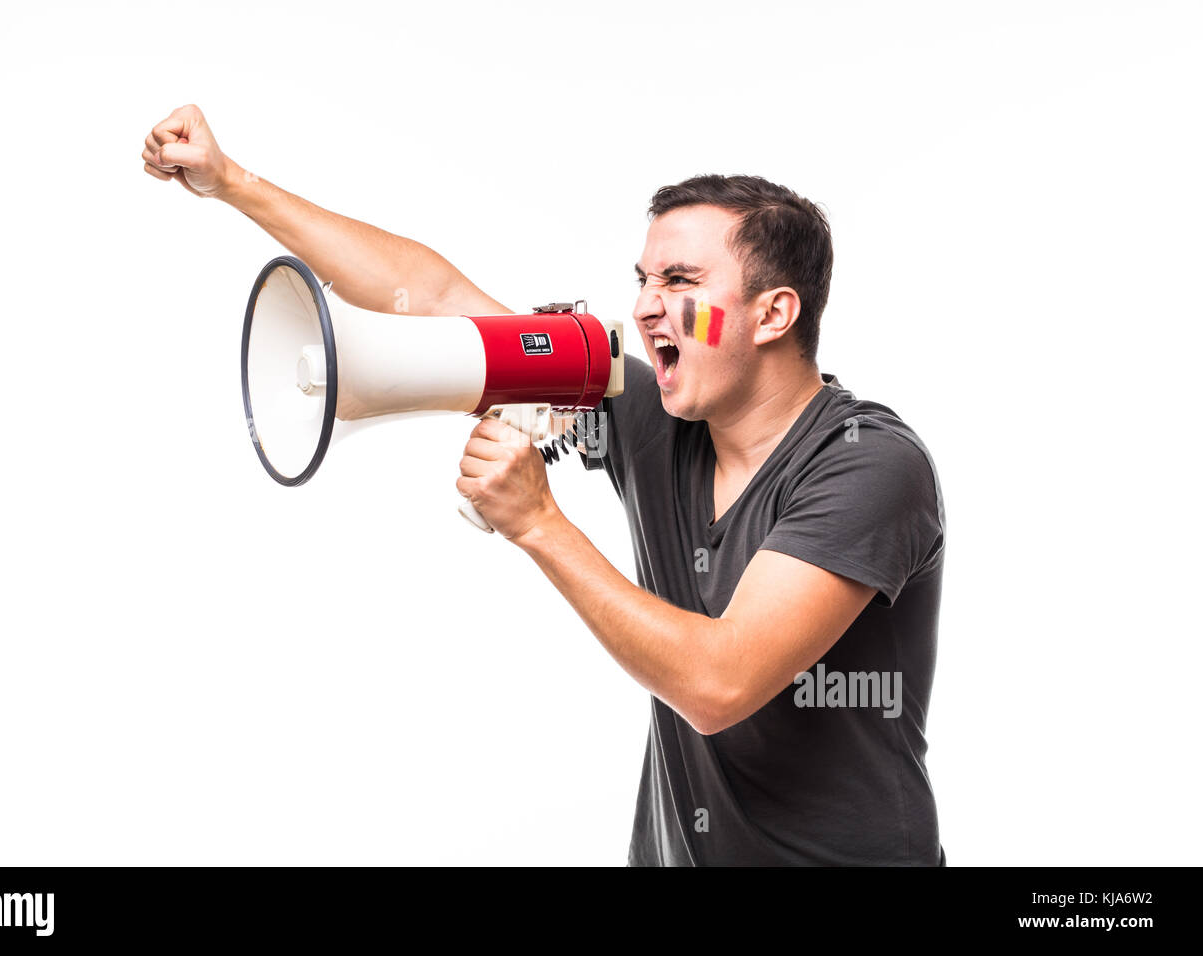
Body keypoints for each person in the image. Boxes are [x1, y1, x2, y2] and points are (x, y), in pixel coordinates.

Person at [142, 104, 948, 866]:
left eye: (680, 282)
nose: (644, 308)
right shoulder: (649, 416)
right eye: (642, 280)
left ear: (774, 315)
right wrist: (232, 179)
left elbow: (718, 681)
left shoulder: (867, 463)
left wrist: (538, 524)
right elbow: (434, 302)